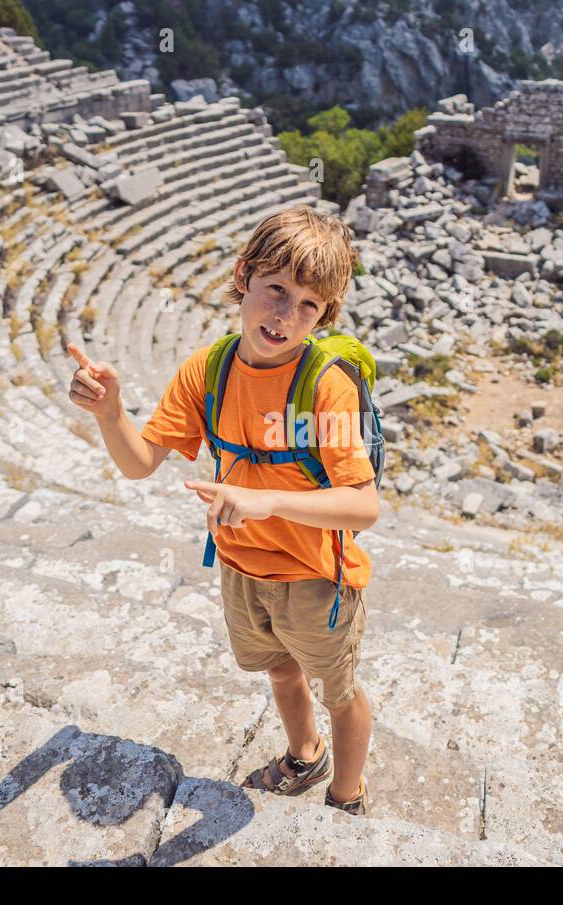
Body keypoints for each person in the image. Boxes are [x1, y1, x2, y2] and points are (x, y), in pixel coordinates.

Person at [66, 205, 379, 815]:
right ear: (244, 277)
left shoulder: (326, 385)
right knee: (280, 673)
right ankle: (304, 755)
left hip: (316, 577)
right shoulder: (208, 370)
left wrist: (263, 500)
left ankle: (347, 795)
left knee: (339, 691)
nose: (286, 317)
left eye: (309, 306)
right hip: (240, 566)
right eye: (276, 291)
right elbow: (140, 462)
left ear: (326, 315)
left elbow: (363, 506)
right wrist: (110, 414)